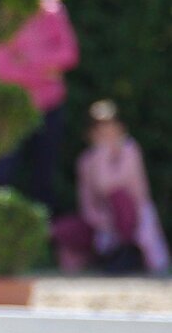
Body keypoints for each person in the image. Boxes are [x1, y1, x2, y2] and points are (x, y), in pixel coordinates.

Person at [0, 0, 79, 211]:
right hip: (12, 109)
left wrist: (26, 60)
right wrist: (46, 68)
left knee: (44, 176)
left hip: (50, 106)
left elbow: (69, 55)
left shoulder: (53, 10)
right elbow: (1, 68)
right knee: (3, 174)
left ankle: (45, 230)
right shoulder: (1, 17)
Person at [53, 102, 169, 276]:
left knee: (118, 197)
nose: (105, 132)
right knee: (62, 228)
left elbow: (107, 187)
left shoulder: (130, 151)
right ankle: (101, 256)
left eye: (109, 126)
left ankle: (127, 252)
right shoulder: (85, 160)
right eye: (99, 128)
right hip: (103, 223)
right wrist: (102, 221)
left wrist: (103, 153)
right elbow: (87, 204)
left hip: (132, 219)